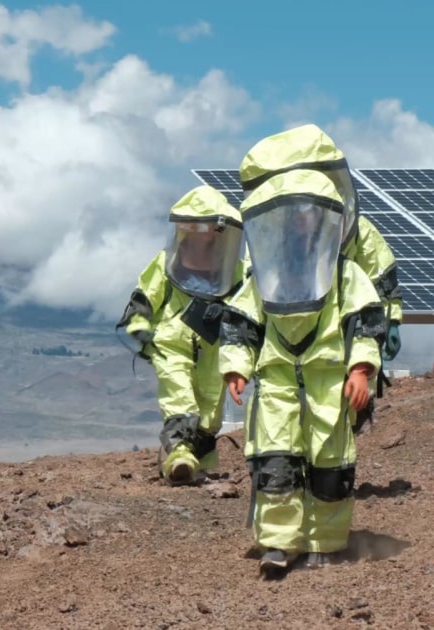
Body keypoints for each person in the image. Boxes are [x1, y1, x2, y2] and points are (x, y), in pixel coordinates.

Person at [220, 168, 385, 577]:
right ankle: (278, 542)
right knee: (275, 461)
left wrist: (361, 369)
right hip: (276, 380)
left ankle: (324, 541)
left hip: (329, 380)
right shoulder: (265, 273)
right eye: (293, 215)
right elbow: (242, 323)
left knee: (330, 463)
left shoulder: (346, 274)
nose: (301, 222)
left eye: (309, 214)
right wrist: (236, 367)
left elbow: (363, 323)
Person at [238, 123, 402, 432]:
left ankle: (331, 465)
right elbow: (253, 286)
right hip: (287, 337)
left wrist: (390, 320)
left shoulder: (359, 234)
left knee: (337, 408)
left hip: (344, 329)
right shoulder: (269, 246)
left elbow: (379, 275)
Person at [117, 185, 246, 485]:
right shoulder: (167, 263)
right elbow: (145, 296)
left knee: (211, 410)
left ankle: (196, 458)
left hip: (215, 346)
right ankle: (179, 455)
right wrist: (139, 325)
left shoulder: (236, 270)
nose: (201, 234)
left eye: (208, 229)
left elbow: (248, 305)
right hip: (170, 343)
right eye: (195, 228)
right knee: (179, 397)